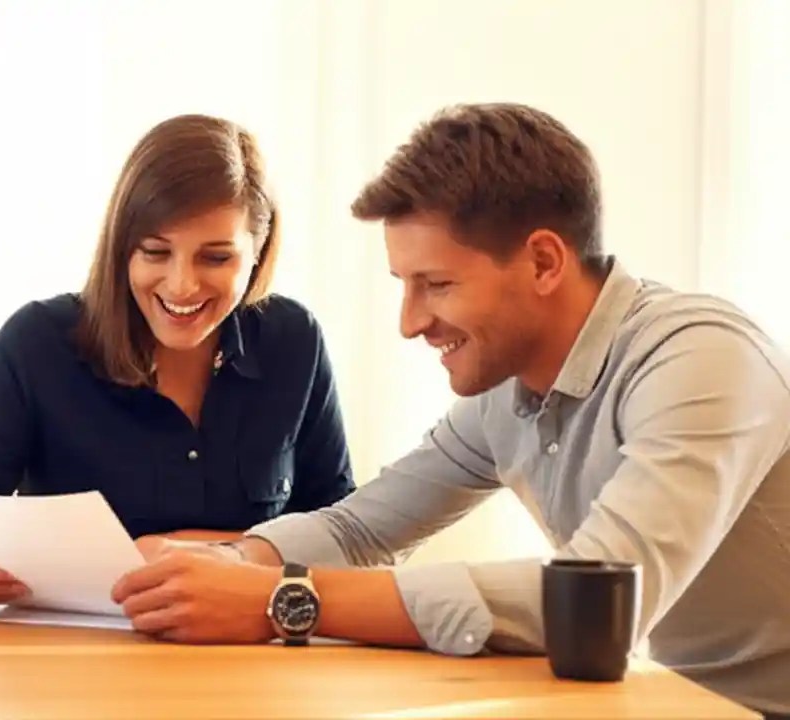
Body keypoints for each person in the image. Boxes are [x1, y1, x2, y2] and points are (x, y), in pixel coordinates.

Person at [112, 103, 790, 718]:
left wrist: (281, 599)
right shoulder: (508, 388)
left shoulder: (702, 360)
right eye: (405, 285)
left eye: (435, 285)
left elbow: (596, 605)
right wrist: (224, 563)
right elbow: (359, 531)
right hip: (661, 704)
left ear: (545, 262)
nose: (410, 323)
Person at [0, 113, 356, 619]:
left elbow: (347, 533)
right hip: (71, 662)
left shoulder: (293, 341)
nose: (182, 285)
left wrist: (191, 549)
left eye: (216, 258)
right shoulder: (38, 343)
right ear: (122, 250)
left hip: (249, 656)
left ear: (258, 253)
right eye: (155, 252)